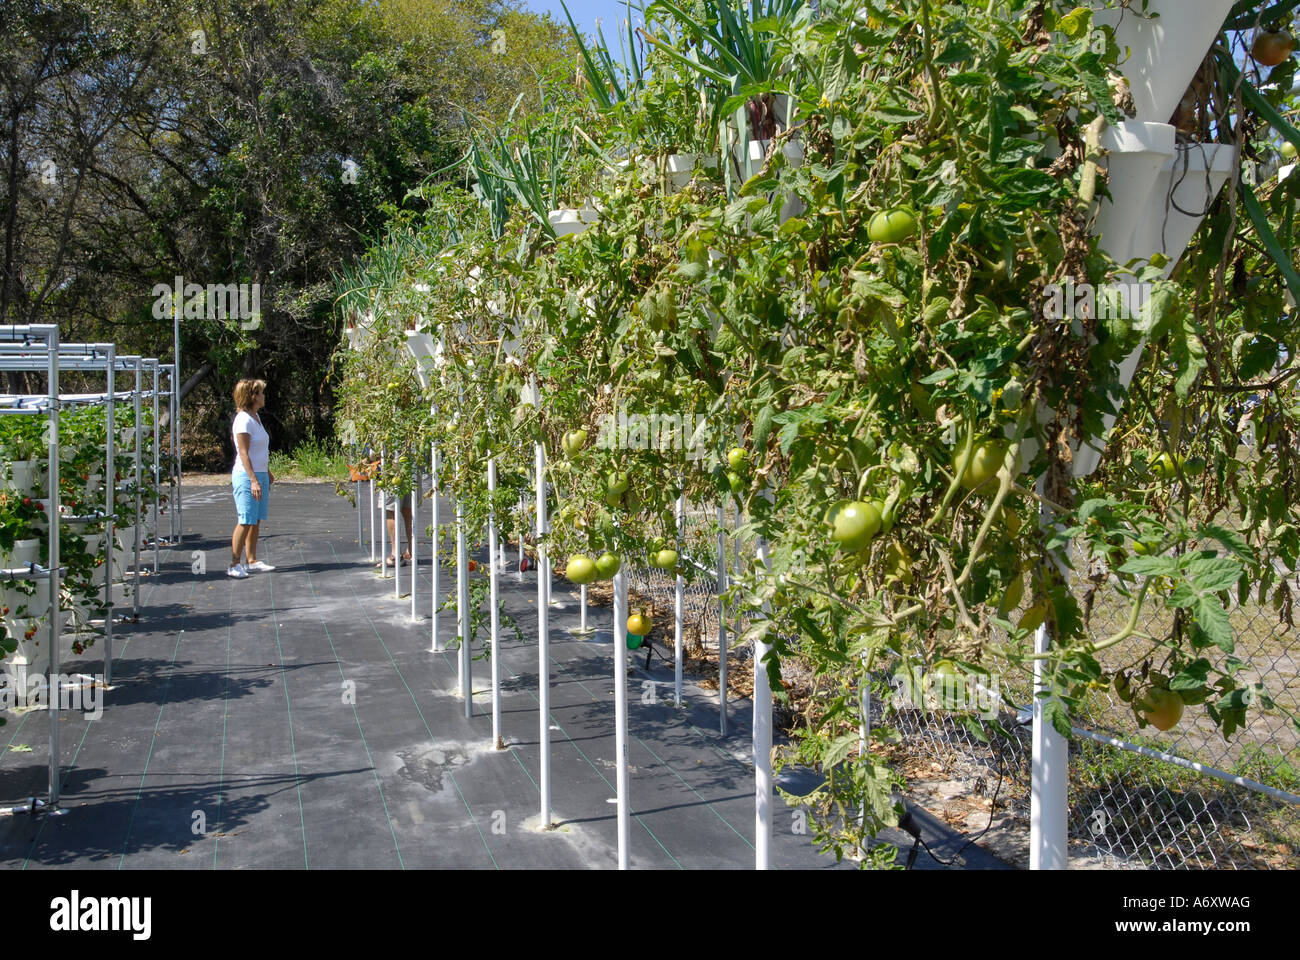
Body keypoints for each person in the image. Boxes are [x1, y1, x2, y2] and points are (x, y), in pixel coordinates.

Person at [229, 378, 276, 577]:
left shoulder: (255, 417)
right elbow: (244, 453)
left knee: (256, 519)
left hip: (260, 474)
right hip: (247, 476)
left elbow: (259, 450)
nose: (263, 396)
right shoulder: (243, 420)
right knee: (245, 519)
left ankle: (252, 560)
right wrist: (253, 480)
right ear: (253, 396)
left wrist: (267, 471)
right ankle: (234, 564)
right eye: (260, 393)